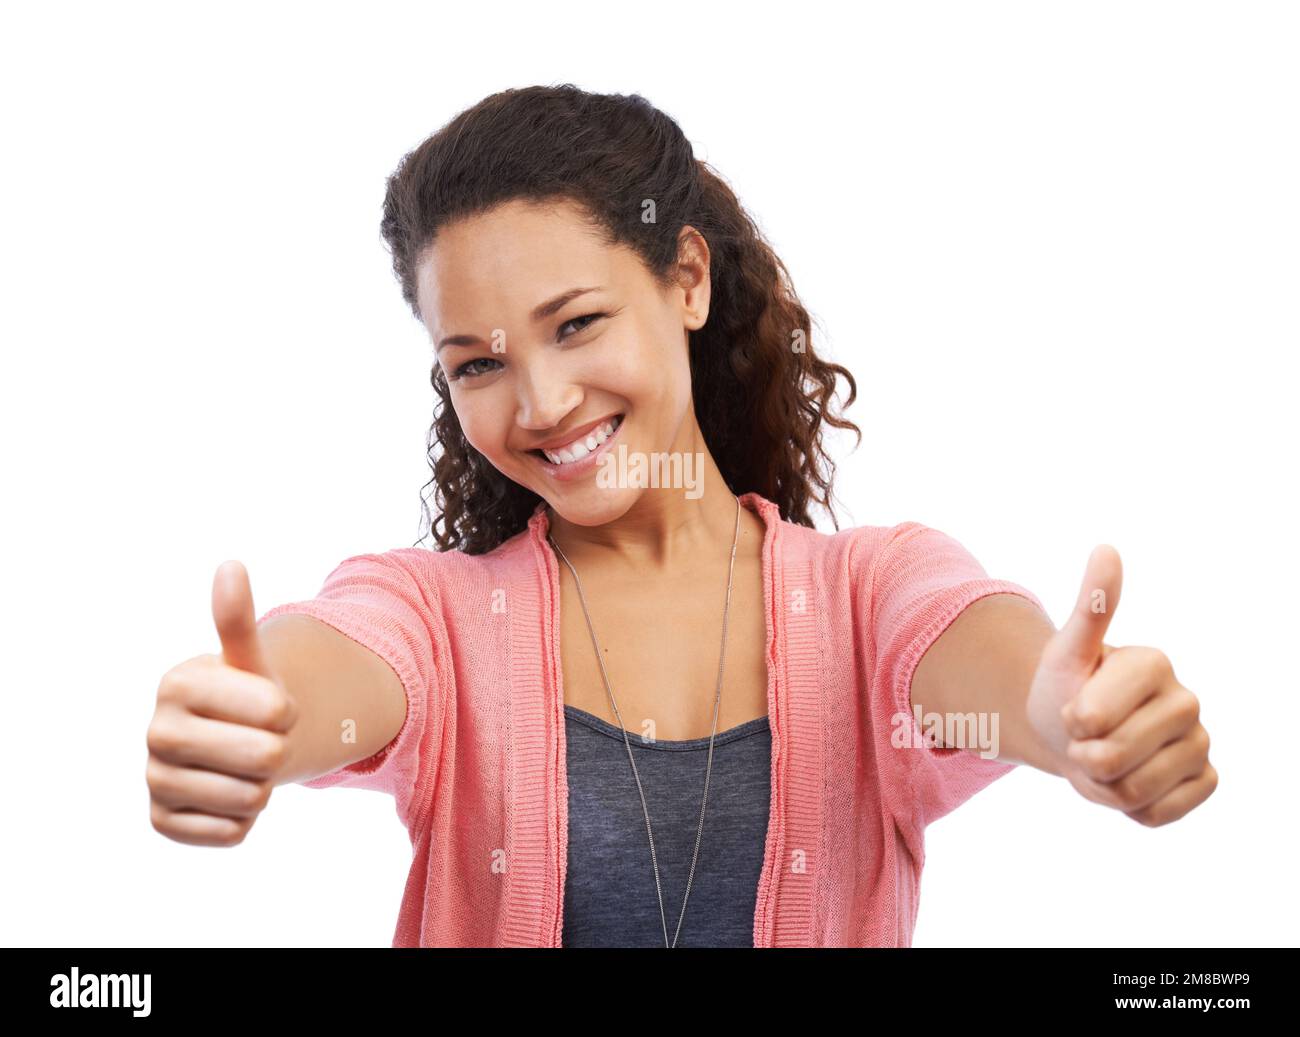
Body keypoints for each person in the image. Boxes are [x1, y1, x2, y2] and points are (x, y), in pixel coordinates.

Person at [145, 84, 1217, 948]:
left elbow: (967, 650)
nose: (541, 404)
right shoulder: (442, 618)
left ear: (688, 277)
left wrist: (1058, 718)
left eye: (577, 323)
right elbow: (344, 662)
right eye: (476, 364)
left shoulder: (866, 595)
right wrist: (264, 716)